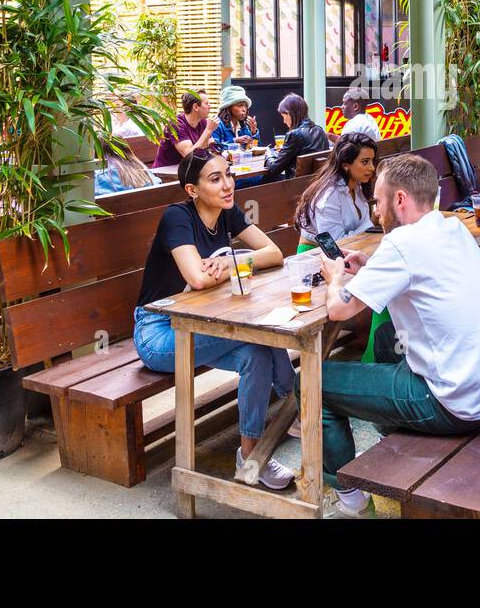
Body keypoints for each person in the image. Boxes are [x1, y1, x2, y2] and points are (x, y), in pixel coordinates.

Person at [318, 154, 480, 518]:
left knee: (316, 382)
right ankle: (393, 436)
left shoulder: (400, 245)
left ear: (399, 200)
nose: (376, 211)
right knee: (384, 339)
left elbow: (339, 310)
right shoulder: (450, 226)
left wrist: (335, 278)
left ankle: (350, 497)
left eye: (378, 201)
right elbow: (416, 271)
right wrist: (370, 266)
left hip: (456, 405)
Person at [131, 149, 297, 490]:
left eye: (228, 175)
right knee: (262, 334)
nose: (227, 185)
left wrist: (233, 261)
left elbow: (274, 253)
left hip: (203, 322)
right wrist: (226, 269)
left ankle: (250, 455)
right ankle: (297, 407)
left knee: (255, 352)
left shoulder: (227, 212)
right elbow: (199, 278)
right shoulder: (177, 217)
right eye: (215, 178)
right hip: (158, 332)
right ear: (192, 190)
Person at [294, 133, 377, 251]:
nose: (372, 168)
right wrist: (371, 223)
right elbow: (335, 245)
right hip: (315, 255)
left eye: (372, 161)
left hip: (354, 249)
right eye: (365, 162)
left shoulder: (357, 184)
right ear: (346, 165)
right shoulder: (329, 195)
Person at [263, 93, 329, 181]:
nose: (284, 121)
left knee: (261, 180)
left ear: (290, 114)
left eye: (284, 116)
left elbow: (275, 168)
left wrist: (268, 153)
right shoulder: (320, 130)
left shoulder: (294, 134)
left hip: (296, 187)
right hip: (317, 183)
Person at [152, 90, 218, 168]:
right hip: (165, 173)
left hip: (188, 170)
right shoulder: (176, 124)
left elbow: (212, 148)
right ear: (196, 107)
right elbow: (189, 156)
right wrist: (208, 131)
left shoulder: (202, 122)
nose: (210, 106)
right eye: (206, 103)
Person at [214, 84, 261, 149]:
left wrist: (254, 132)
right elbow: (214, 148)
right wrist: (234, 141)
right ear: (229, 107)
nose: (244, 109)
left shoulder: (244, 126)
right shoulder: (217, 124)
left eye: (246, 106)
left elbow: (254, 148)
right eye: (240, 105)